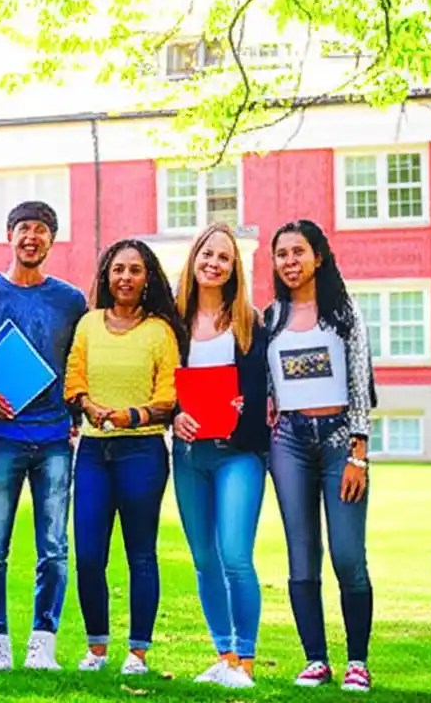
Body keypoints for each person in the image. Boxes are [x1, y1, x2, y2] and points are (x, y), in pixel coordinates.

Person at [0, 201, 87, 672]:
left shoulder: (71, 301)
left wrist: (77, 406)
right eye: (22, 229)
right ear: (8, 235)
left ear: (52, 239)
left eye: (40, 230)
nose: (31, 237)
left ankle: (43, 641)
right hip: (0, 437)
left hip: (55, 437)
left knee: (54, 547)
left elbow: (81, 363)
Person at [264, 219, 375, 693]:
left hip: (337, 444)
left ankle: (357, 661)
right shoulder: (270, 317)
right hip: (289, 442)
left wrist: (358, 452)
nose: (290, 262)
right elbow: (266, 382)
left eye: (298, 252)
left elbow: (359, 384)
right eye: (282, 254)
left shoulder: (344, 314)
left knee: (348, 556)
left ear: (318, 257)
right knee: (301, 556)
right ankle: (315, 659)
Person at [64, 238, 184, 676]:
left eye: (135, 270)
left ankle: (138, 652)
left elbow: (169, 397)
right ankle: (96, 648)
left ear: (147, 276)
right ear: (106, 276)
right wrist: (88, 406)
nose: (126, 278)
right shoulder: (89, 324)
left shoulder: (160, 331)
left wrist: (130, 415)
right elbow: (73, 375)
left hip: (143, 451)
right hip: (94, 449)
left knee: (141, 555)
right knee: (90, 554)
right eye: (118, 270)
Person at [170, 223, 270, 689]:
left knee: (234, 554)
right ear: (194, 260)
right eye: (206, 254)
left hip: (237, 456)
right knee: (205, 558)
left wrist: (243, 409)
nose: (213, 263)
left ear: (234, 268)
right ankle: (224, 655)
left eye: (223, 258)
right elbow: (162, 386)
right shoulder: (171, 322)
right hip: (190, 456)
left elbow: (262, 392)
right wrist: (175, 416)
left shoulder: (250, 322)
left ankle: (246, 663)